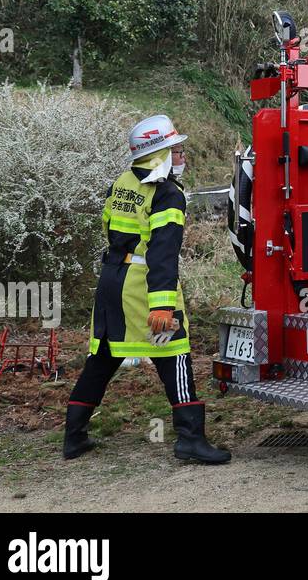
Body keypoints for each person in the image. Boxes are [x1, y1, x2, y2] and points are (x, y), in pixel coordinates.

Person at [63, 115, 231, 464]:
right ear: (160, 154)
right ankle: (190, 439)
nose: (183, 156)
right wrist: (163, 307)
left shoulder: (122, 182)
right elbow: (163, 256)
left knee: (103, 358)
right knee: (176, 356)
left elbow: (110, 230)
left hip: (111, 282)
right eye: (177, 150)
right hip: (143, 288)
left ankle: (73, 437)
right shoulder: (167, 195)